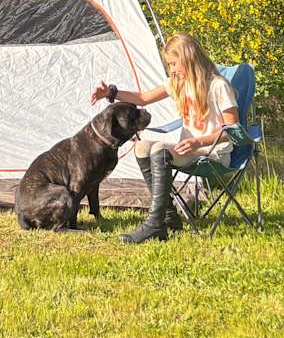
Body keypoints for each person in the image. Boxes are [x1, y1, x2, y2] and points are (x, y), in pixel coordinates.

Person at [89, 32, 239, 244]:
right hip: (187, 151)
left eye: (174, 64)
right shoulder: (179, 83)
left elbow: (232, 130)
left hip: (213, 153)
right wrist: (111, 92)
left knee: (159, 149)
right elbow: (142, 98)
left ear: (188, 58)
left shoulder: (218, 86)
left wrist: (198, 142)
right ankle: (168, 216)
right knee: (141, 147)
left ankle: (154, 224)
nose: (172, 70)